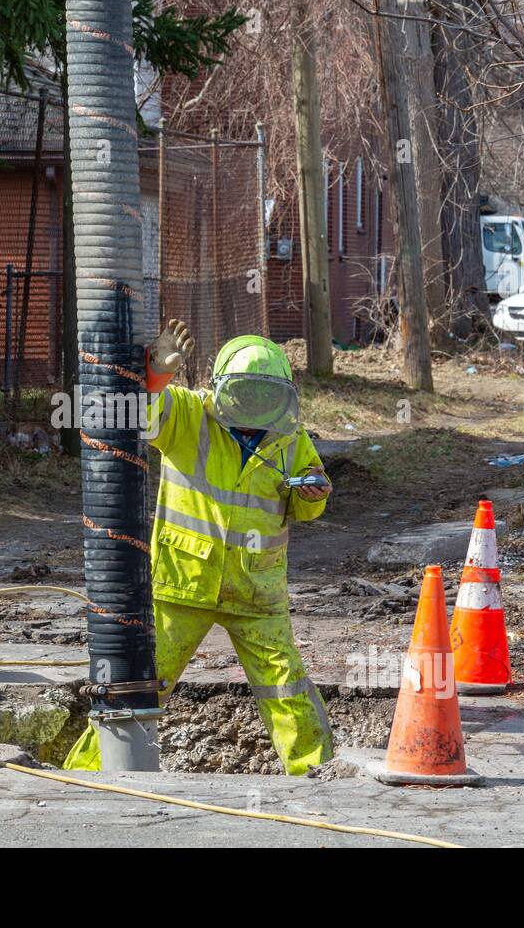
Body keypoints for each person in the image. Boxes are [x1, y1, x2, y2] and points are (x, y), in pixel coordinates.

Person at [63, 320, 335, 775]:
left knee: (285, 689)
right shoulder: (191, 415)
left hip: (256, 590)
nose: (254, 404)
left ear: (281, 396)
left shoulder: (291, 438)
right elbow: (142, 415)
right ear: (226, 388)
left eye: (265, 395)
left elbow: (306, 503)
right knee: (141, 684)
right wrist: (157, 375)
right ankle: (89, 773)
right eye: (247, 393)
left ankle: (315, 773)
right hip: (183, 583)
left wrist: (314, 494)